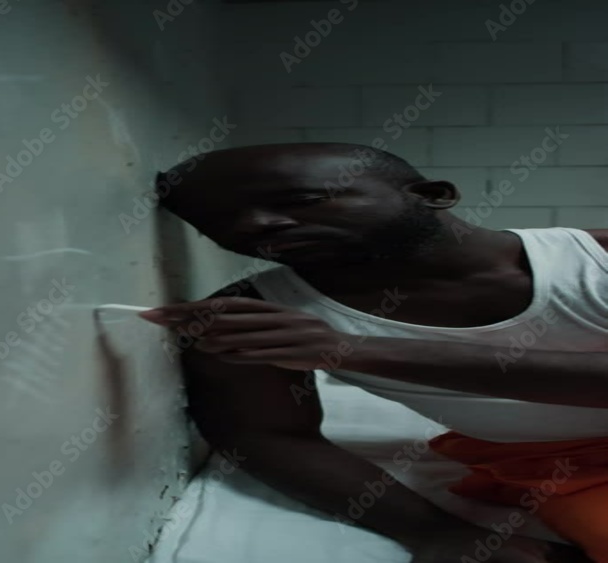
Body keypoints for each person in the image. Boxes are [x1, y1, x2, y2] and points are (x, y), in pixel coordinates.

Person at [137, 143, 608, 563]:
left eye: (300, 201)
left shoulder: (595, 259)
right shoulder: (253, 315)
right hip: (562, 462)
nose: (252, 225)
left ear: (433, 195)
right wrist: (434, 532)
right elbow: (266, 436)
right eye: (216, 221)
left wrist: (352, 351)